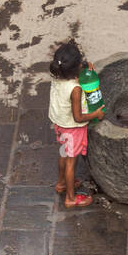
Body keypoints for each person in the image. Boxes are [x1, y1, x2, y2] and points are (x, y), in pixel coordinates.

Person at [48, 41, 105, 209]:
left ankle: (61, 184)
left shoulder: (57, 74)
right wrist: (96, 114)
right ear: (76, 67)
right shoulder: (75, 89)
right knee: (71, 163)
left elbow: (71, 70)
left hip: (60, 124)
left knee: (63, 154)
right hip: (72, 129)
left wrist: (85, 67)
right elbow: (79, 117)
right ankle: (71, 198)